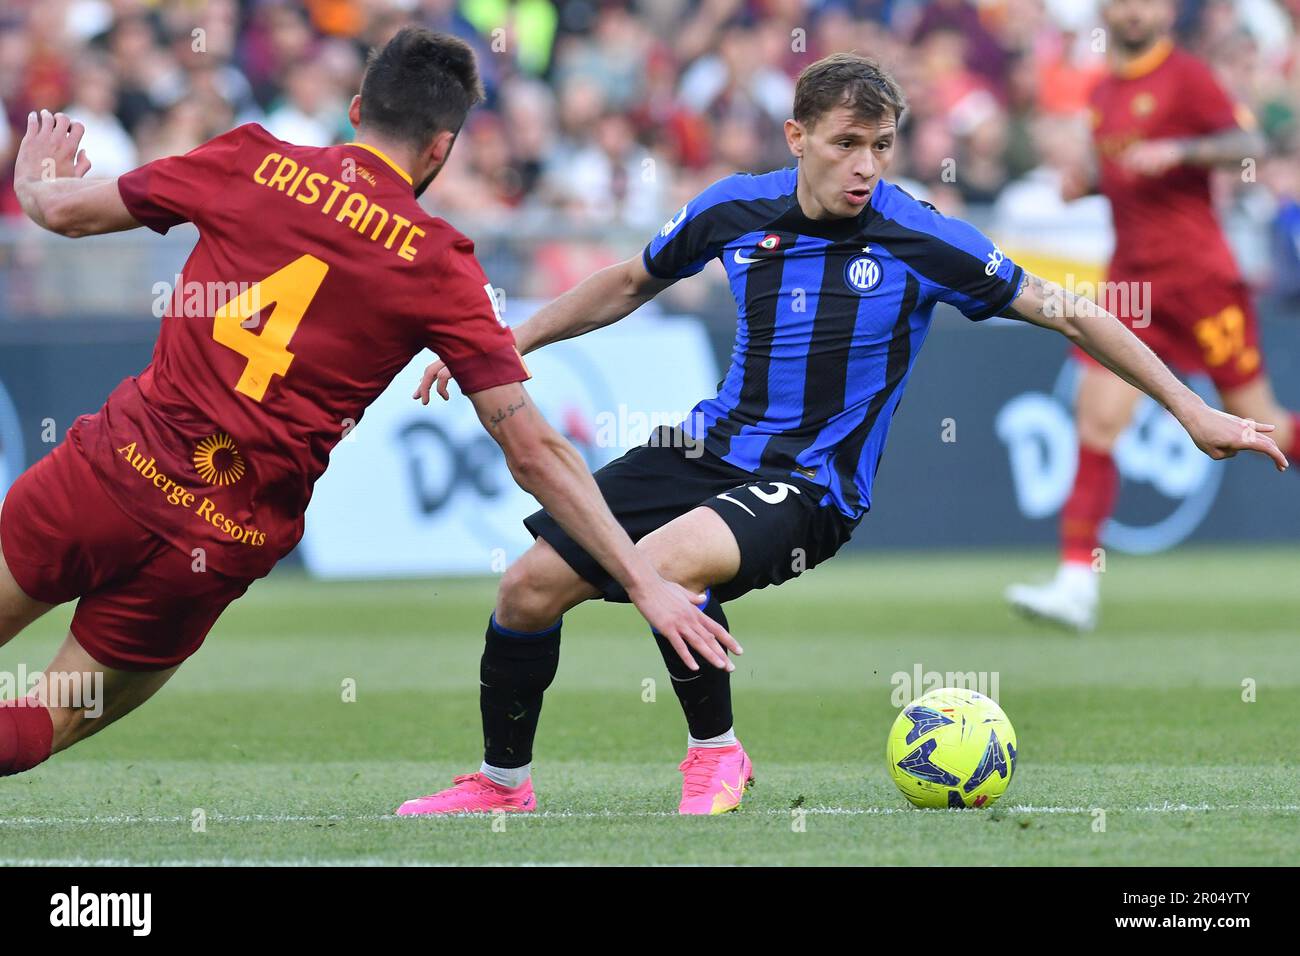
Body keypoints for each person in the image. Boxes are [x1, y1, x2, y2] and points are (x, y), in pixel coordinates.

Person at [401, 51, 1286, 816]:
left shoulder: (919, 235)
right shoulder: (735, 211)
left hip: (817, 483)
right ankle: (502, 783)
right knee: (524, 588)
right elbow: (630, 280)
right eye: (845, 143)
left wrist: (1192, 408)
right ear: (796, 139)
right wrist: (509, 340)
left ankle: (717, 753)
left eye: (882, 146)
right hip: (709, 450)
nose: (866, 165)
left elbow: (1071, 314)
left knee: (667, 564)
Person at [0, 27, 733, 782]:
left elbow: (63, 213)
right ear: (442, 148)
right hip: (218, 536)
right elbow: (534, 451)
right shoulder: (438, 263)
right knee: (49, 717)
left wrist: (34, 179)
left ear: (356, 107)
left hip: (106, 474)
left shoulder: (248, 158)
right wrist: (642, 578)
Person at [1005, 0, 1300, 631]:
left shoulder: (1188, 75)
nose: (1133, 10)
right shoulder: (1104, 91)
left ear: (1165, 13)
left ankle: (1076, 580)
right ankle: (1076, 583)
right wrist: (1086, 183)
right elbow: (1118, 174)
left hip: (1200, 279)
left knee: (1263, 422)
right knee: (1096, 418)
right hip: (1132, 285)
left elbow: (1249, 143)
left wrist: (1181, 151)